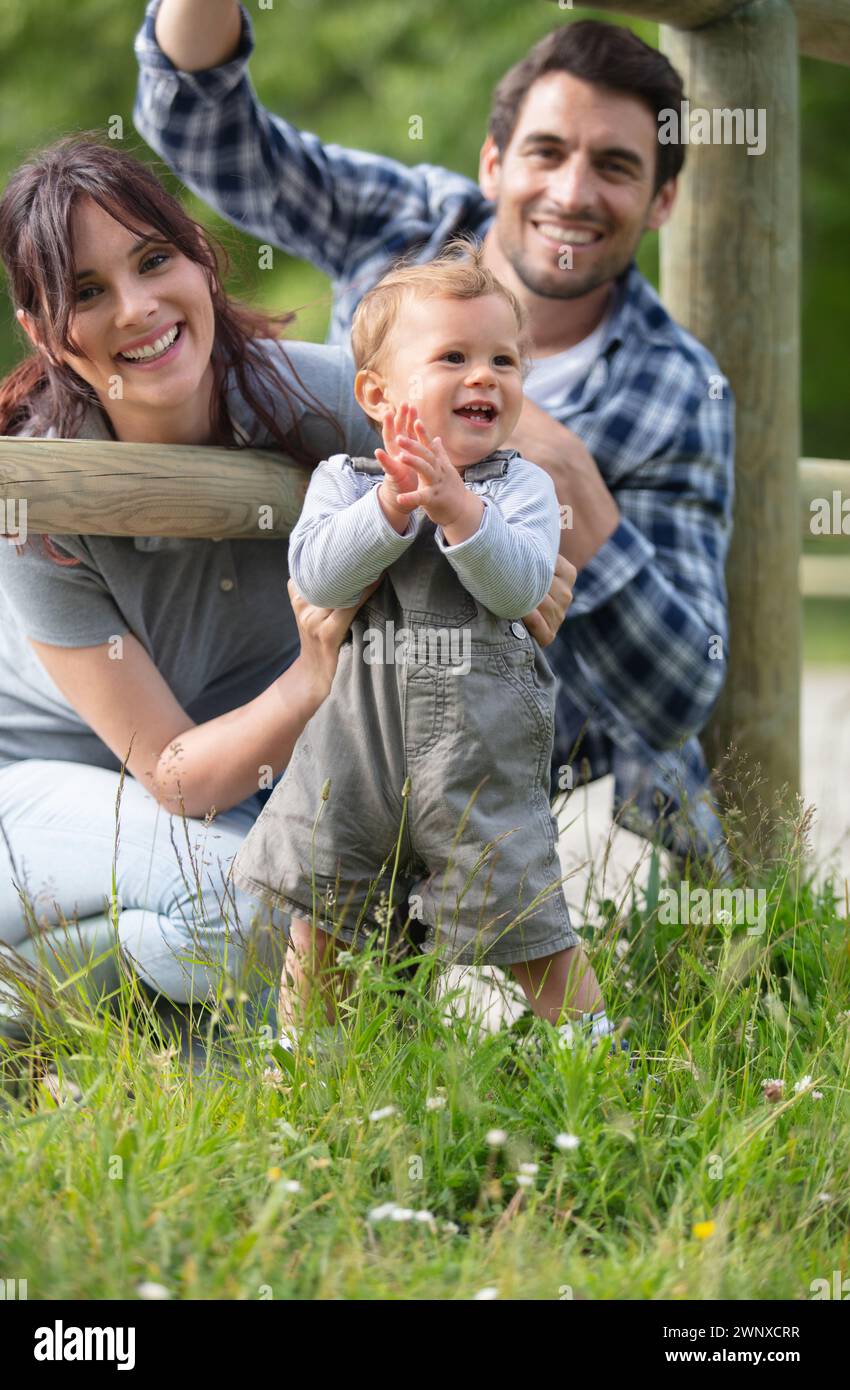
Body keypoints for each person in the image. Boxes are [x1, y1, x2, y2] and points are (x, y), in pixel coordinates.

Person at [0, 138, 571, 1030]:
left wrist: (534, 566)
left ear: (200, 258)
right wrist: (311, 678)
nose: (139, 309)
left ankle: (171, 1027)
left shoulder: (327, 394)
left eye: (153, 260)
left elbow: (522, 439)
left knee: (340, 915)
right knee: (259, 908)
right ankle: (12, 1009)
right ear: (41, 332)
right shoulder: (31, 487)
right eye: (89, 292)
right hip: (32, 784)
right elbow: (178, 781)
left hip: (231, 799)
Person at [135, 5, 735, 870]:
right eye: (546, 151)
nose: (571, 192)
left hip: (506, 771)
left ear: (662, 199)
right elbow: (207, 128)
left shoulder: (678, 389)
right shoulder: (404, 225)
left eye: (615, 166)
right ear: (494, 162)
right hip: (315, 706)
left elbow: (680, 694)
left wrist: (578, 494)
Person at [233, 241, 615, 1049]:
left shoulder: (521, 489)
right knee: (322, 917)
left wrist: (457, 511)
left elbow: (517, 590)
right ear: (377, 392)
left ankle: (596, 1058)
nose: (486, 377)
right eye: (454, 357)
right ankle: (307, 1065)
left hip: (477, 757)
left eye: (504, 360)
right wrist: (392, 510)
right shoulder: (344, 482)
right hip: (352, 750)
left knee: (524, 912)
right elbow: (321, 578)